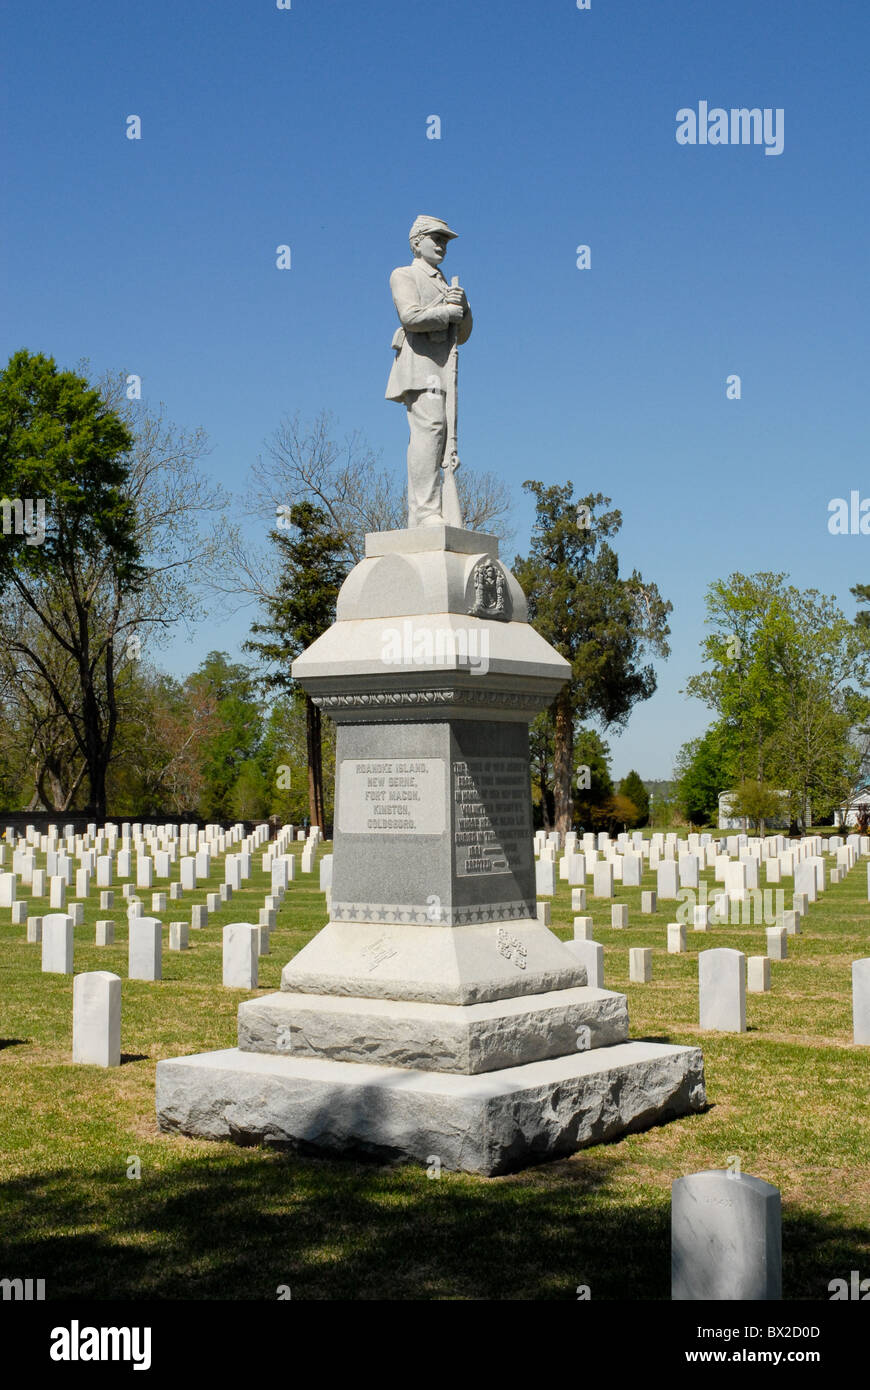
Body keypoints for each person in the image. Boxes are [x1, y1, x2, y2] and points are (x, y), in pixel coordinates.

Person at [385, 215, 473, 527]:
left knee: (443, 438)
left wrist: (463, 309)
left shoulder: (446, 283)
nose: (441, 246)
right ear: (416, 241)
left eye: (445, 241)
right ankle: (424, 513)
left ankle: (438, 511)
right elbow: (410, 317)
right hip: (420, 367)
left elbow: (462, 334)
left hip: (442, 368)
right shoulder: (404, 274)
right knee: (431, 429)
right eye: (436, 239)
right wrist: (447, 311)